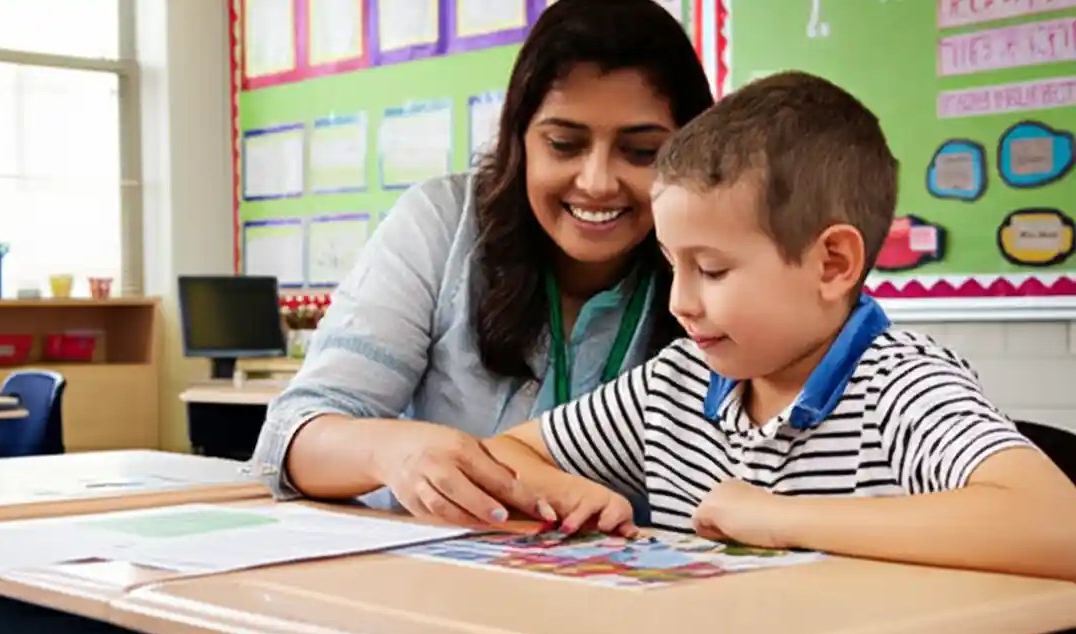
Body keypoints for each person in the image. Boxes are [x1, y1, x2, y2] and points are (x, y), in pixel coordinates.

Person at [482, 70, 1076, 581]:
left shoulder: (899, 386)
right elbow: (499, 454)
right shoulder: (676, 383)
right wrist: (561, 489)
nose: (679, 304)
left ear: (832, 264)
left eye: (711, 270)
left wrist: (779, 517)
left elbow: (1058, 525)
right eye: (672, 265)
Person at [249, 0, 713, 524]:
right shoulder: (441, 225)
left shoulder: (726, 263)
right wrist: (392, 451)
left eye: (642, 153)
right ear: (519, 139)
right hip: (435, 586)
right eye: (564, 144)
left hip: (632, 592)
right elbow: (292, 438)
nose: (597, 181)